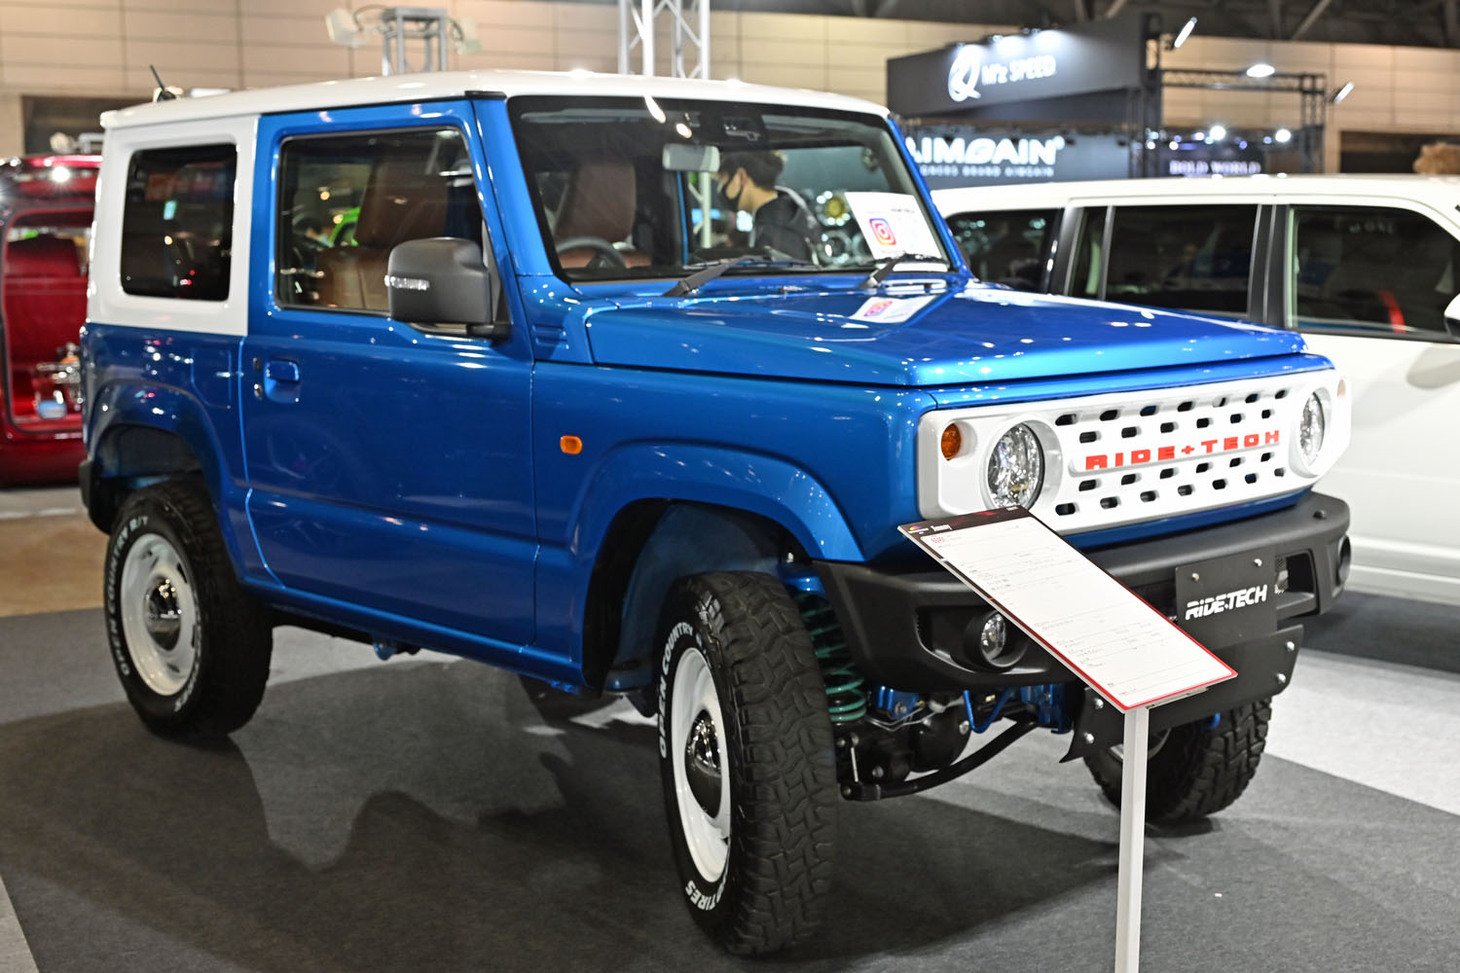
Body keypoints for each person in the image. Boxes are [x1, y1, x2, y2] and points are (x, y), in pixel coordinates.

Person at [716, 150, 822, 263]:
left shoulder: (772, 235)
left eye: (722, 179)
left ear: (741, 177)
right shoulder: (789, 214)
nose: (720, 187)